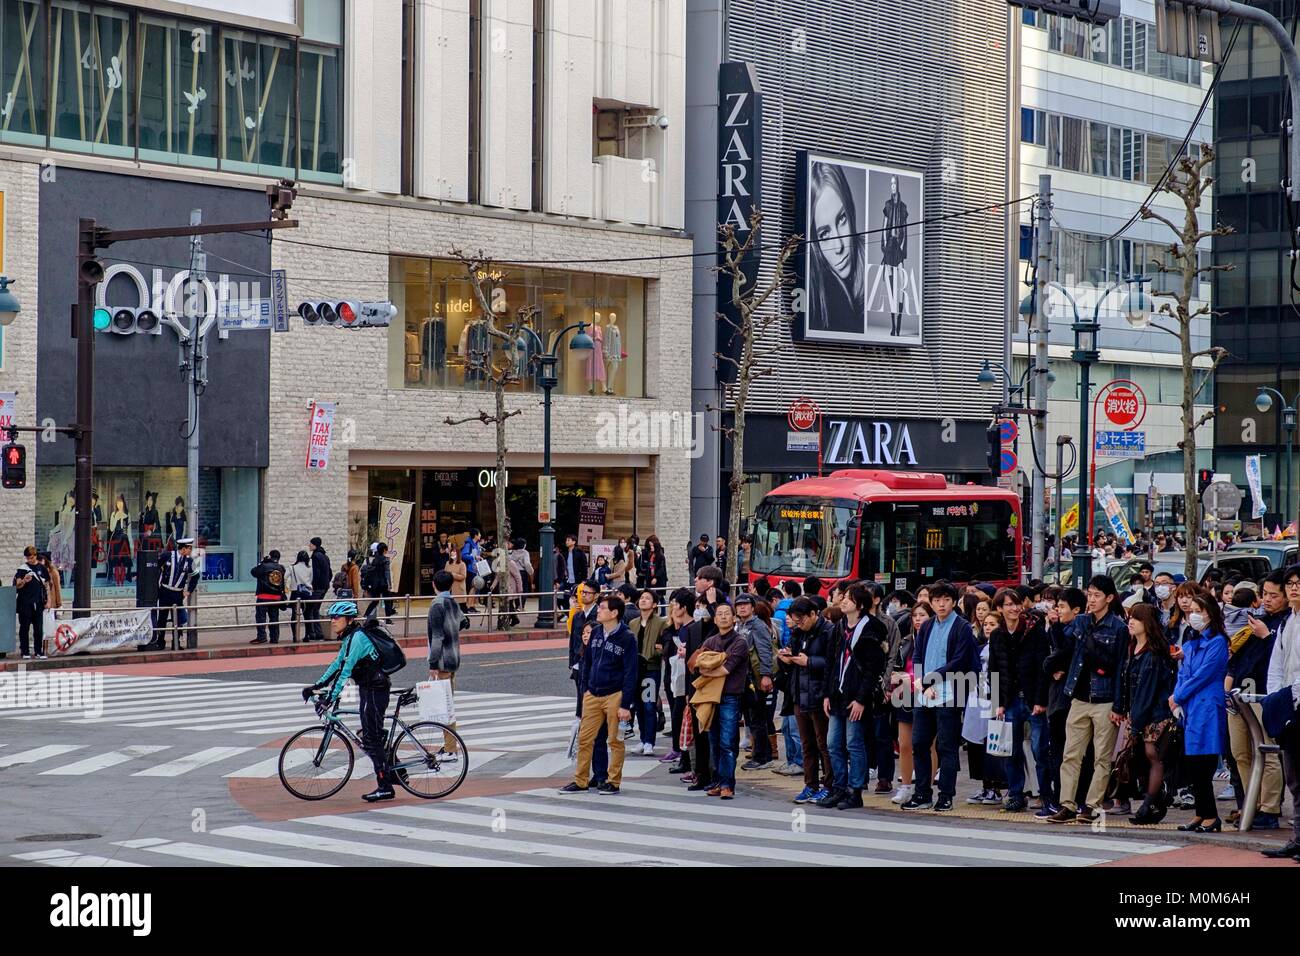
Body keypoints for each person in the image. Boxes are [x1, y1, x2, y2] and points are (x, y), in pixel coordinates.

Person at [1048, 575, 1129, 824]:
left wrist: (1119, 704)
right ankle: (1067, 804)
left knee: (1102, 757)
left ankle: (1093, 805)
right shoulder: (1081, 621)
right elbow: (1063, 644)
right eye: (1089, 594)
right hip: (1079, 697)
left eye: (1096, 595)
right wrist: (1056, 623)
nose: (1091, 599)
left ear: (1109, 598)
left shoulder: (1118, 627)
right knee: (1071, 754)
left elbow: (1120, 669)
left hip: (1105, 699)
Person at [302, 601, 397, 802]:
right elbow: (337, 665)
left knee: (371, 738)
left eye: (337, 617)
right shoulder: (349, 638)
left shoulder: (357, 639)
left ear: (350, 620)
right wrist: (316, 686)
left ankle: (385, 786)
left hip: (375, 689)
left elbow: (344, 672)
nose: (333, 621)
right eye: (331, 617)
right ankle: (396, 772)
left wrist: (329, 699)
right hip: (368, 688)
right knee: (371, 734)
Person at [902, 581, 977, 812]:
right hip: (925, 693)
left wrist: (929, 679)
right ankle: (922, 793)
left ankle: (946, 795)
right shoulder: (926, 626)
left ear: (954, 602)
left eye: (945, 599)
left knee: (947, 746)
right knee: (919, 743)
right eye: (936, 600)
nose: (941, 604)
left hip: (951, 693)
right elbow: (917, 655)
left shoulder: (961, 627)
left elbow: (959, 661)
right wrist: (923, 683)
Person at [561, 594, 639, 795]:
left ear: (614, 613)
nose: (599, 610)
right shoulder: (596, 633)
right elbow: (587, 661)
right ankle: (581, 780)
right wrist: (586, 688)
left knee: (615, 740)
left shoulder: (627, 638)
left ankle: (613, 781)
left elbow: (631, 672)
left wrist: (626, 704)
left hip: (615, 694)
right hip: (593, 693)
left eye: (603, 608)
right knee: (585, 738)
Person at [822, 583, 887, 810]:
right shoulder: (840, 627)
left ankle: (855, 790)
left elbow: (872, 669)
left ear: (859, 604)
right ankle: (839, 787)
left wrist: (861, 699)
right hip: (838, 694)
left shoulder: (870, 629)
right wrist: (827, 694)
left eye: (848, 598)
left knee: (854, 743)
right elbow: (831, 662)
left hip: (857, 696)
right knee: (832, 743)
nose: (843, 600)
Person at [989, 587, 1050, 813]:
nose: (1014, 608)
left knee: (1039, 749)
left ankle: (1046, 794)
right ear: (999, 609)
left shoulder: (1034, 630)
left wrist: (1041, 699)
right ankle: (1016, 793)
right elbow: (993, 671)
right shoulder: (996, 635)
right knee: (1010, 750)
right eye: (1008, 605)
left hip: (1033, 697)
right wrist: (998, 702)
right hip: (1010, 698)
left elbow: (1043, 667)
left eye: (1016, 604)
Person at [1172, 593, 1230, 832]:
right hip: (1191, 706)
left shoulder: (1217, 642)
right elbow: (1184, 673)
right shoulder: (1192, 641)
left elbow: (1203, 675)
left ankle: (1210, 815)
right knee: (1193, 762)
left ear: (1210, 613)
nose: (1193, 614)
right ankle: (1201, 813)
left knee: (1204, 763)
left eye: (1198, 610)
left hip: (1207, 705)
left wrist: (1177, 696)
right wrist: (1177, 696)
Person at [1118, 603, 1177, 825]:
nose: (1131, 622)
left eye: (1136, 618)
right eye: (1130, 617)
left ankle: (1150, 803)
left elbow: (1146, 691)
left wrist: (1135, 722)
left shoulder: (1152, 654)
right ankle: (1151, 800)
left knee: (1153, 756)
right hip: (1140, 713)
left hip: (1154, 714)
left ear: (1148, 623)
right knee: (1143, 758)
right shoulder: (1134, 649)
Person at [1263, 564, 1300, 860]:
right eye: (1290, 583)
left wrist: (1291, 696)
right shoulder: (1288, 622)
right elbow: (1277, 665)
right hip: (1289, 708)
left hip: (1297, 705)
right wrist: (1277, 697)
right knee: (1294, 779)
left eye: (1299, 583)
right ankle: (1298, 838)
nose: (1294, 588)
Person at [781, 596, 833, 804]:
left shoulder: (828, 631)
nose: (798, 623)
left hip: (819, 695)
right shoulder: (797, 633)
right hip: (799, 694)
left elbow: (833, 662)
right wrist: (787, 658)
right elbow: (795, 661)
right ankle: (810, 784)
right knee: (807, 744)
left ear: (814, 614)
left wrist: (809, 661)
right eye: (795, 619)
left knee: (824, 744)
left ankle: (829, 785)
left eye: (801, 619)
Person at [696, 602, 750, 799]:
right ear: (715, 619)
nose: (724, 617)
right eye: (720, 614)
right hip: (711, 696)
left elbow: (726, 669)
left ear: (734, 618)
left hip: (730, 695)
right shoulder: (710, 641)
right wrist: (711, 666)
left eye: (727, 614)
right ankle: (718, 781)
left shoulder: (740, 642)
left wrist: (710, 668)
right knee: (714, 740)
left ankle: (728, 783)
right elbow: (698, 665)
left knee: (728, 742)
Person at [1041, 586, 1085, 817]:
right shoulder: (1059, 629)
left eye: (1061, 607)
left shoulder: (1075, 630)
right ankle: (1060, 799)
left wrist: (1050, 666)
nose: (1057, 610)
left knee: (1069, 753)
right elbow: (1050, 660)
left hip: (1069, 699)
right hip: (1057, 698)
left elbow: (1059, 655)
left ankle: (1070, 799)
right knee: (1057, 752)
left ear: (1076, 610)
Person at [887, 601, 927, 804]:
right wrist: (893, 678)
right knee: (904, 744)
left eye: (922, 615)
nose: (918, 619)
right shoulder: (906, 641)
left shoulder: (932, 640)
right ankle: (905, 786)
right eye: (915, 615)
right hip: (904, 696)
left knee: (927, 745)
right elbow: (898, 664)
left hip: (927, 694)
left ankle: (924, 786)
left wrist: (908, 678)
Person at [427, 569, 468, 753]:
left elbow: (437, 637)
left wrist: (433, 663)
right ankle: (450, 746)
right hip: (454, 658)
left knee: (445, 705)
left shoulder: (437, 605)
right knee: (448, 702)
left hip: (443, 660)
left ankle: (451, 748)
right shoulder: (452, 602)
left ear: (434, 584)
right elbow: (464, 622)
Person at [735, 593, 778, 771]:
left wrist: (766, 675)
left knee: (757, 718)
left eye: (746, 604)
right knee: (752, 718)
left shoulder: (758, 626)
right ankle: (761, 753)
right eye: (739, 605)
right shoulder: (740, 626)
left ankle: (761, 757)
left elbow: (765, 651)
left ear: (753, 607)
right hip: (744, 679)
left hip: (756, 678)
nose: (742, 607)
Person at [629, 588, 666, 756]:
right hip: (635, 669)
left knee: (649, 705)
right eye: (641, 598)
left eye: (647, 598)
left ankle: (650, 742)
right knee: (638, 706)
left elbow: (664, 646)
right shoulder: (633, 623)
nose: (643, 600)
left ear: (655, 604)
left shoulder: (660, 623)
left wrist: (656, 651)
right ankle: (643, 740)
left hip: (651, 669)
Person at [13, 546, 51, 660]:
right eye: (28, 558)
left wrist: (48, 600)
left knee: (38, 628)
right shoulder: (22, 569)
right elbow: (16, 586)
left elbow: (47, 585)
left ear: (36, 556)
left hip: (38, 602)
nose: (31, 559)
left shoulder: (42, 568)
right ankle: (25, 651)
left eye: (32, 557)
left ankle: (38, 651)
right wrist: (24, 580)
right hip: (25, 603)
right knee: (24, 627)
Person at [250, 549, 287, 645]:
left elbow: (253, 572)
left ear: (270, 556)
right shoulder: (281, 568)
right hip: (276, 597)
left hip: (264, 596)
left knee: (261, 617)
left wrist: (262, 562)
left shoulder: (264, 566)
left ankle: (262, 637)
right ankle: (274, 638)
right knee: (274, 618)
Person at [306, 537, 332, 642]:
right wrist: (327, 582)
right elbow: (330, 572)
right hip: (325, 586)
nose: (309, 546)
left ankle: (316, 633)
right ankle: (318, 633)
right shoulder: (325, 556)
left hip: (318, 587)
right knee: (315, 609)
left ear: (315, 545)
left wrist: (313, 586)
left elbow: (316, 573)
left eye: (311, 544)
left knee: (310, 610)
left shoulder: (316, 556)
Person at [286, 550, 314, 643]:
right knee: (308, 615)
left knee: (294, 616)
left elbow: (285, 577)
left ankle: (295, 635)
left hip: (295, 592)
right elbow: (311, 580)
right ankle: (307, 635)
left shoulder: (292, 567)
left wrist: (287, 587)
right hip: (307, 593)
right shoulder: (310, 568)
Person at [363, 542, 394, 622]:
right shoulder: (385, 560)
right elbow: (387, 572)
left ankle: (365, 615)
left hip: (375, 584)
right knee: (387, 601)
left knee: (375, 601)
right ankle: (388, 619)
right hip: (383, 583)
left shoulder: (374, 560)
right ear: (384, 550)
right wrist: (389, 584)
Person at [556, 534, 588, 611]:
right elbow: (560, 568)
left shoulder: (580, 553)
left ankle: (576, 613)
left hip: (577, 579)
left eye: (568, 540)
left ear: (574, 542)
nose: (566, 542)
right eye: (566, 540)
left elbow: (584, 566)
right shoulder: (564, 553)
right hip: (566, 580)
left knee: (576, 597)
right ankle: (566, 613)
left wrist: (584, 579)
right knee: (560, 597)